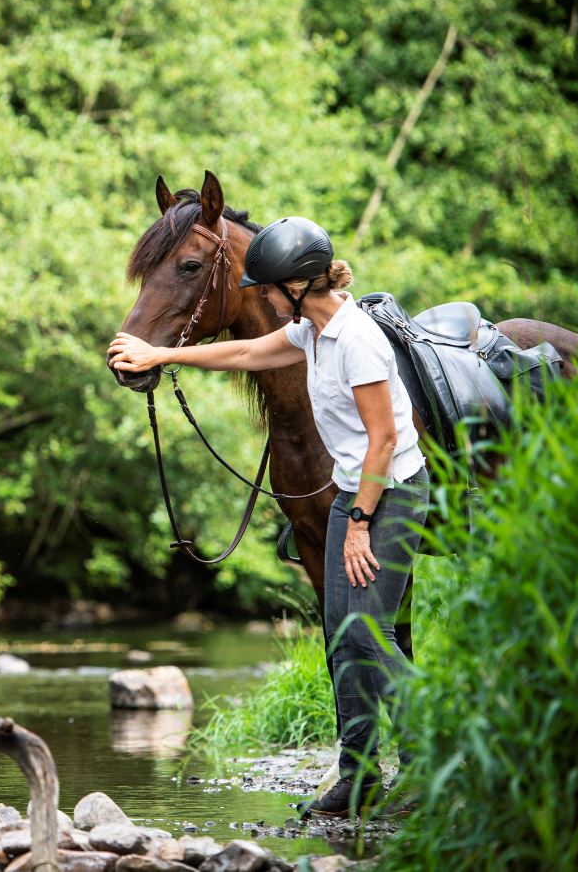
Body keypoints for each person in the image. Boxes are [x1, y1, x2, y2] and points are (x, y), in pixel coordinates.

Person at [106, 216, 429, 817]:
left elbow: (383, 440)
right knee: (342, 637)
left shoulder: (356, 339)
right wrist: (162, 351)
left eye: (269, 290)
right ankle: (357, 776)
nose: (265, 300)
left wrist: (358, 523)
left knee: (367, 632)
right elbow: (250, 351)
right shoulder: (310, 333)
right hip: (354, 492)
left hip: (389, 496)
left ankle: (435, 753)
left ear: (298, 287)